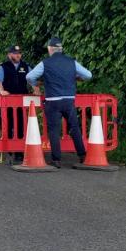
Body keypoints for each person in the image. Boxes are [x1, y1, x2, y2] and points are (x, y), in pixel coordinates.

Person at [25, 37, 92, 168]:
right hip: (69, 100)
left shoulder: (45, 63)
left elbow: (29, 76)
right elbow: (88, 75)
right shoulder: (72, 62)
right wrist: (77, 78)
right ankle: (82, 155)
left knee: (54, 130)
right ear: (61, 49)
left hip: (53, 101)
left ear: (50, 49)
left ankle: (56, 160)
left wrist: (36, 84)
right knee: (74, 127)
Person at [0, 44, 32, 163]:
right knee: (8, 126)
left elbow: (32, 80)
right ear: (9, 55)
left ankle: (19, 152)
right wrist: (1, 91)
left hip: (21, 103)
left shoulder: (26, 66)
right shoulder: (3, 67)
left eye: (19, 53)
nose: (18, 55)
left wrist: (36, 89)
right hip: (8, 103)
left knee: (21, 126)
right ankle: (9, 150)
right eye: (15, 53)